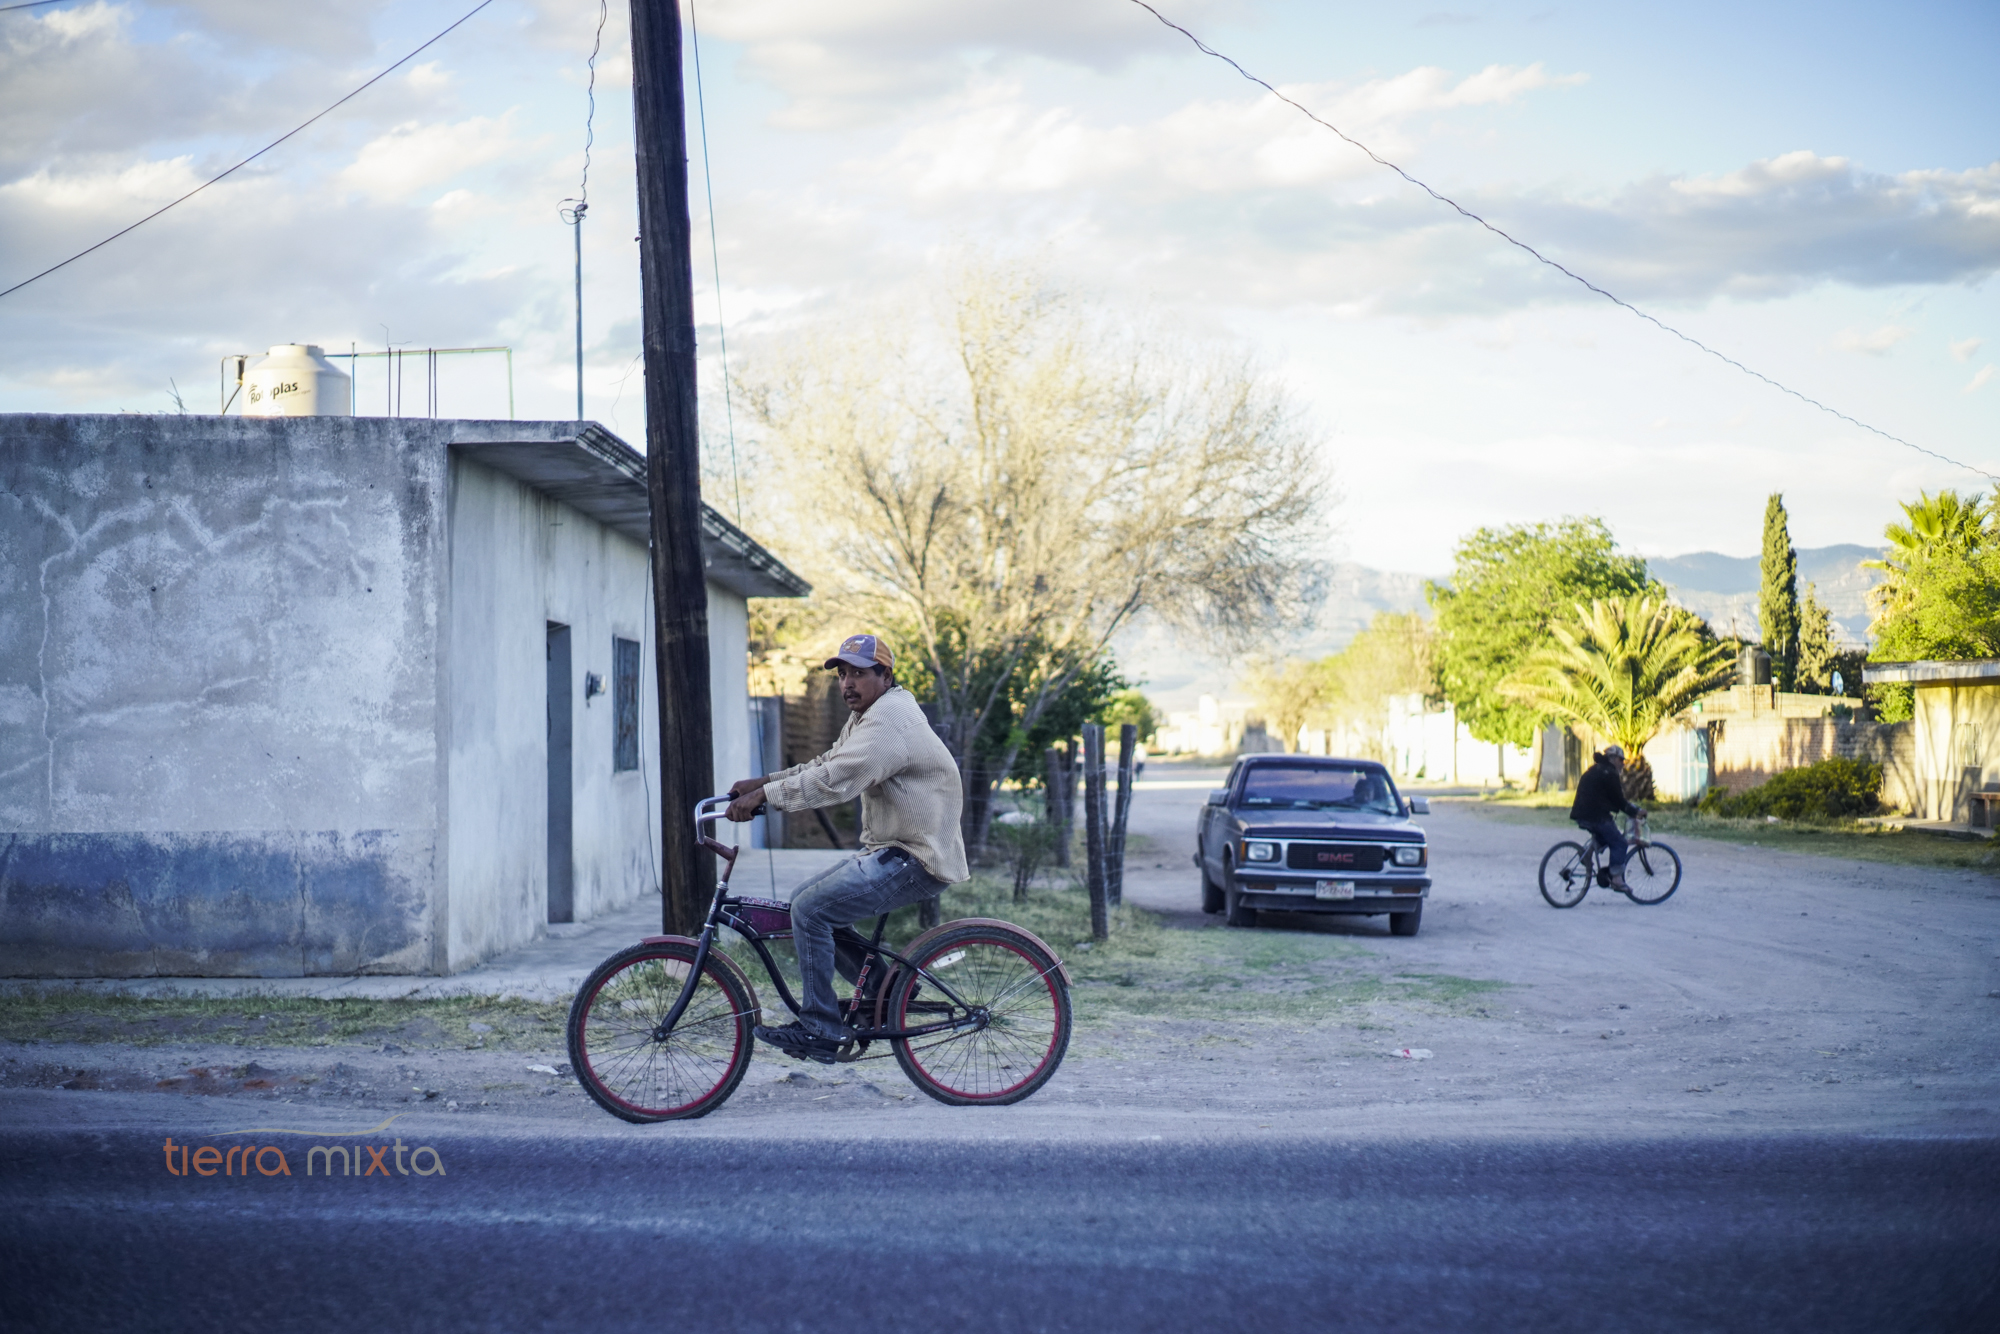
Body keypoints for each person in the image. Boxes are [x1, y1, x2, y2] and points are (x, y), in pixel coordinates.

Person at [725, 634, 967, 1064]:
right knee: (806, 902)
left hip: (916, 856)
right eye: (842, 674)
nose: (847, 683)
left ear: (885, 675)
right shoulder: (870, 715)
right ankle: (883, 989)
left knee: (811, 911)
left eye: (858, 672)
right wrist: (764, 782)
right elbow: (826, 763)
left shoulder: (889, 722)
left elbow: (836, 779)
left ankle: (821, 1028)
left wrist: (768, 797)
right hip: (898, 849)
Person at [1569, 745, 1644, 890]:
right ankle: (1616, 879)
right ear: (1613, 759)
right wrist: (1635, 812)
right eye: (1621, 760)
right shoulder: (1609, 773)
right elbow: (1619, 801)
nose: (1623, 763)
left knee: (1604, 837)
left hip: (1581, 814)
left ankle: (1587, 855)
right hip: (1596, 816)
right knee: (1620, 843)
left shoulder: (1593, 770)